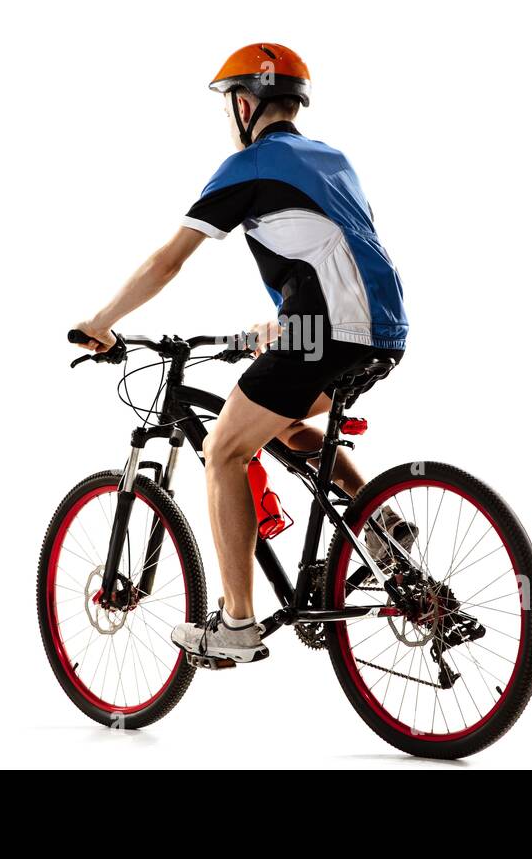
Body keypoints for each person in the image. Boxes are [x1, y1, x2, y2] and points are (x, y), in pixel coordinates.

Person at [71, 43, 411, 663]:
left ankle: (236, 622)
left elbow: (166, 262)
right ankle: (382, 526)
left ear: (244, 104)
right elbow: (332, 250)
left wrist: (102, 321)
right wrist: (285, 323)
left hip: (326, 330)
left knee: (223, 449)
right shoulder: (333, 160)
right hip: (383, 331)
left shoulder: (251, 166)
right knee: (278, 427)